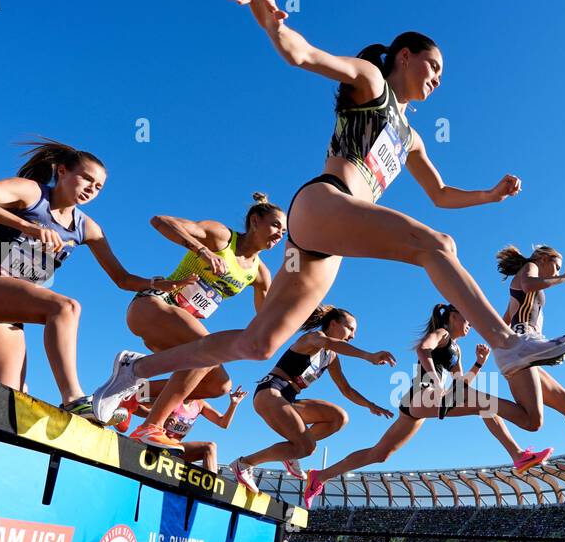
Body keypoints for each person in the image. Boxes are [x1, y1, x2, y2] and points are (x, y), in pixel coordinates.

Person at [88, 0, 565, 426]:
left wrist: (490, 195)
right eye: (434, 67)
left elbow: (440, 194)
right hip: (325, 202)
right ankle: (508, 344)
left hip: (329, 242)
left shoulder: (411, 138)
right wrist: (272, 23)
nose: (438, 80)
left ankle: (132, 371)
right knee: (437, 244)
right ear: (404, 57)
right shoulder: (372, 82)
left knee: (257, 345)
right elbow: (303, 55)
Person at [0, 139, 177, 420]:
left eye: (98, 187)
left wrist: (155, 284)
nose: (91, 188)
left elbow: (122, 278)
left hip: (1, 308)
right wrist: (27, 226)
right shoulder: (32, 194)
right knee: (65, 308)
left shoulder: (87, 228)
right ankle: (74, 399)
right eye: (86, 178)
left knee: (5, 398)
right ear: (62, 171)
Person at [300, 304, 553, 508]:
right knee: (485, 404)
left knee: (379, 454)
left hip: (420, 406)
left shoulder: (457, 350)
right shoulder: (442, 334)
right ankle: (518, 455)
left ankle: (319, 477)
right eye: (467, 319)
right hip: (422, 396)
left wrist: (478, 364)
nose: (470, 324)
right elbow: (423, 349)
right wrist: (433, 377)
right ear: (453, 315)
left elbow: (461, 386)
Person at [125, 194, 285, 448]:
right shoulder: (221, 237)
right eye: (276, 225)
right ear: (255, 221)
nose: (279, 235)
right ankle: (150, 427)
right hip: (153, 306)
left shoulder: (259, 273)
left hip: (173, 332)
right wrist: (202, 250)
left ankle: (131, 395)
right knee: (209, 351)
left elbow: (266, 317)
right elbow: (160, 221)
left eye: (284, 232)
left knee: (219, 384)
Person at [227, 305, 396, 493]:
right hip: (271, 393)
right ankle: (244, 463)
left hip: (288, 400)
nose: (353, 335)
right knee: (307, 448)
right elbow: (331, 343)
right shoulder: (313, 338)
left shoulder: (331, 357)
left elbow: (346, 389)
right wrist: (368, 356)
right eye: (350, 328)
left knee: (339, 418)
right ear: (333, 324)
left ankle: (291, 452)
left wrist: (370, 405)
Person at [480, 245, 565, 473]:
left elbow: (506, 318)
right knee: (533, 422)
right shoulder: (530, 267)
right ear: (543, 258)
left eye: (559, 269)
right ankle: (478, 401)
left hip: (522, 350)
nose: (555, 272)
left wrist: (497, 347)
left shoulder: (527, 278)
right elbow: (528, 285)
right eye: (555, 266)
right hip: (522, 348)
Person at [114, 385, 246, 473]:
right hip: (151, 442)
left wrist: (233, 404)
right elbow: (138, 408)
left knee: (210, 447)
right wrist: (162, 417)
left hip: (174, 449)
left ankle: (211, 492)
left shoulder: (200, 404)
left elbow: (223, 423)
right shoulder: (174, 397)